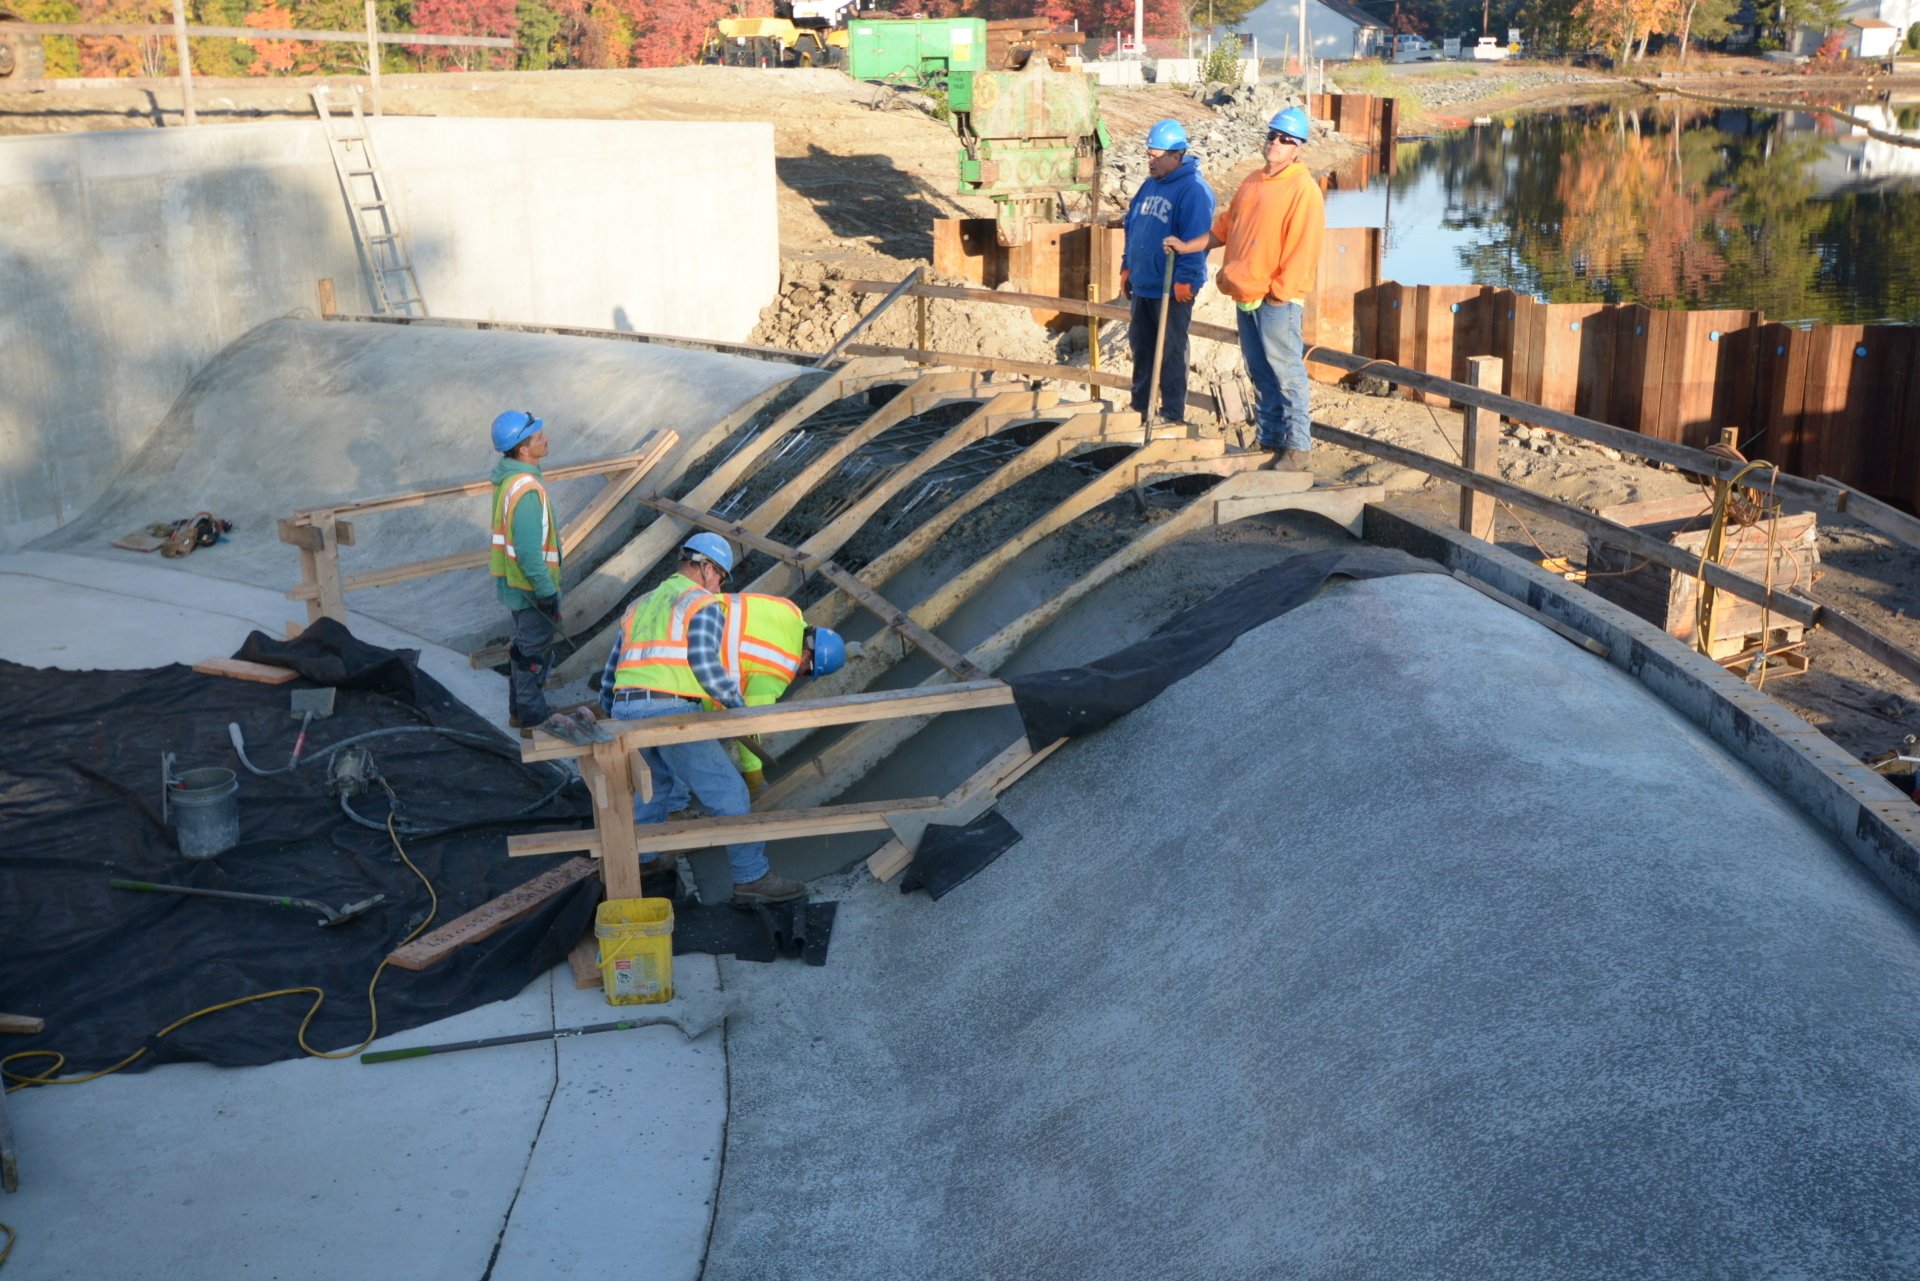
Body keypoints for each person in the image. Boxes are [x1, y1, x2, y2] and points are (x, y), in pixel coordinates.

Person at [595, 532, 806, 904]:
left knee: (653, 787)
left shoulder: (640, 604)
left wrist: (616, 714)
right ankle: (751, 878)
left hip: (627, 710)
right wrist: (737, 707)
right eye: (720, 576)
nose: (719, 585)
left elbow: (610, 674)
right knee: (730, 794)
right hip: (670, 711)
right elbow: (705, 662)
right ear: (706, 567)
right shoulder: (702, 603)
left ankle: (642, 862)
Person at [1163, 105, 1325, 470]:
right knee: (1260, 371)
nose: (1276, 143)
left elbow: (1305, 247)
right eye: (1272, 136)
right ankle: (1269, 440)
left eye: (1285, 139)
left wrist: (1280, 292)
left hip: (1276, 299)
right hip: (1246, 295)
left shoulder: (1303, 190)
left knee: (1286, 372)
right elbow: (1224, 228)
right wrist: (1186, 246)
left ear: (1297, 147)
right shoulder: (1252, 181)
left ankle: (1298, 449)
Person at [1120, 118, 1215, 427]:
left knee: (1171, 350)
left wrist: (1186, 279)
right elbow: (1131, 225)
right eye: (1148, 154)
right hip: (1143, 284)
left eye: (1156, 155)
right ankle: (1141, 408)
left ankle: (1172, 414)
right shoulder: (1149, 185)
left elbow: (1197, 239)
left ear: (1176, 155)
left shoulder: (1194, 191)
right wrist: (1126, 266)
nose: (1150, 160)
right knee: (1142, 349)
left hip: (1172, 288)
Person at [705, 592, 848, 796]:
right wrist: (754, 775)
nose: (803, 676)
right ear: (806, 657)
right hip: (686, 680)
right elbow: (747, 723)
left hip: (689, 618)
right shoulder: (776, 671)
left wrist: (845, 652)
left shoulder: (790, 610)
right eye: (808, 672)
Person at [489, 409, 563, 734]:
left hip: (516, 588)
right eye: (538, 437)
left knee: (522, 649)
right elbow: (529, 552)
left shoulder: (508, 481)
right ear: (522, 448)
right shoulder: (528, 490)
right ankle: (534, 720)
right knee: (532, 654)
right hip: (532, 591)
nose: (546, 439)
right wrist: (547, 592)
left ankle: (519, 712)